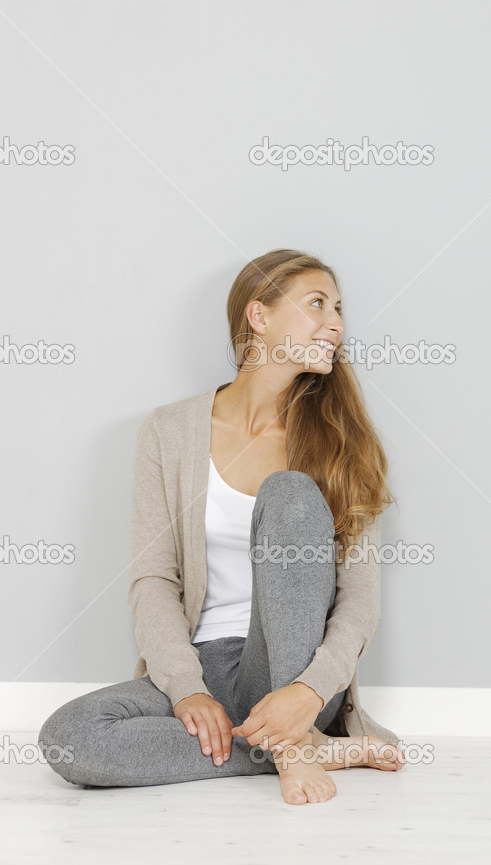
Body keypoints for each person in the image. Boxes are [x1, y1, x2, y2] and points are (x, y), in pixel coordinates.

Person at [39, 248, 405, 805]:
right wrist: (187, 690)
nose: (336, 323)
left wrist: (308, 691)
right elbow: (153, 581)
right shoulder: (167, 432)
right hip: (202, 665)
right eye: (316, 304)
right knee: (69, 737)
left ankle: (295, 731)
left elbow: (361, 603)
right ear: (259, 317)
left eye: (338, 308)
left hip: (299, 678)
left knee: (288, 495)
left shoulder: (343, 445)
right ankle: (305, 748)